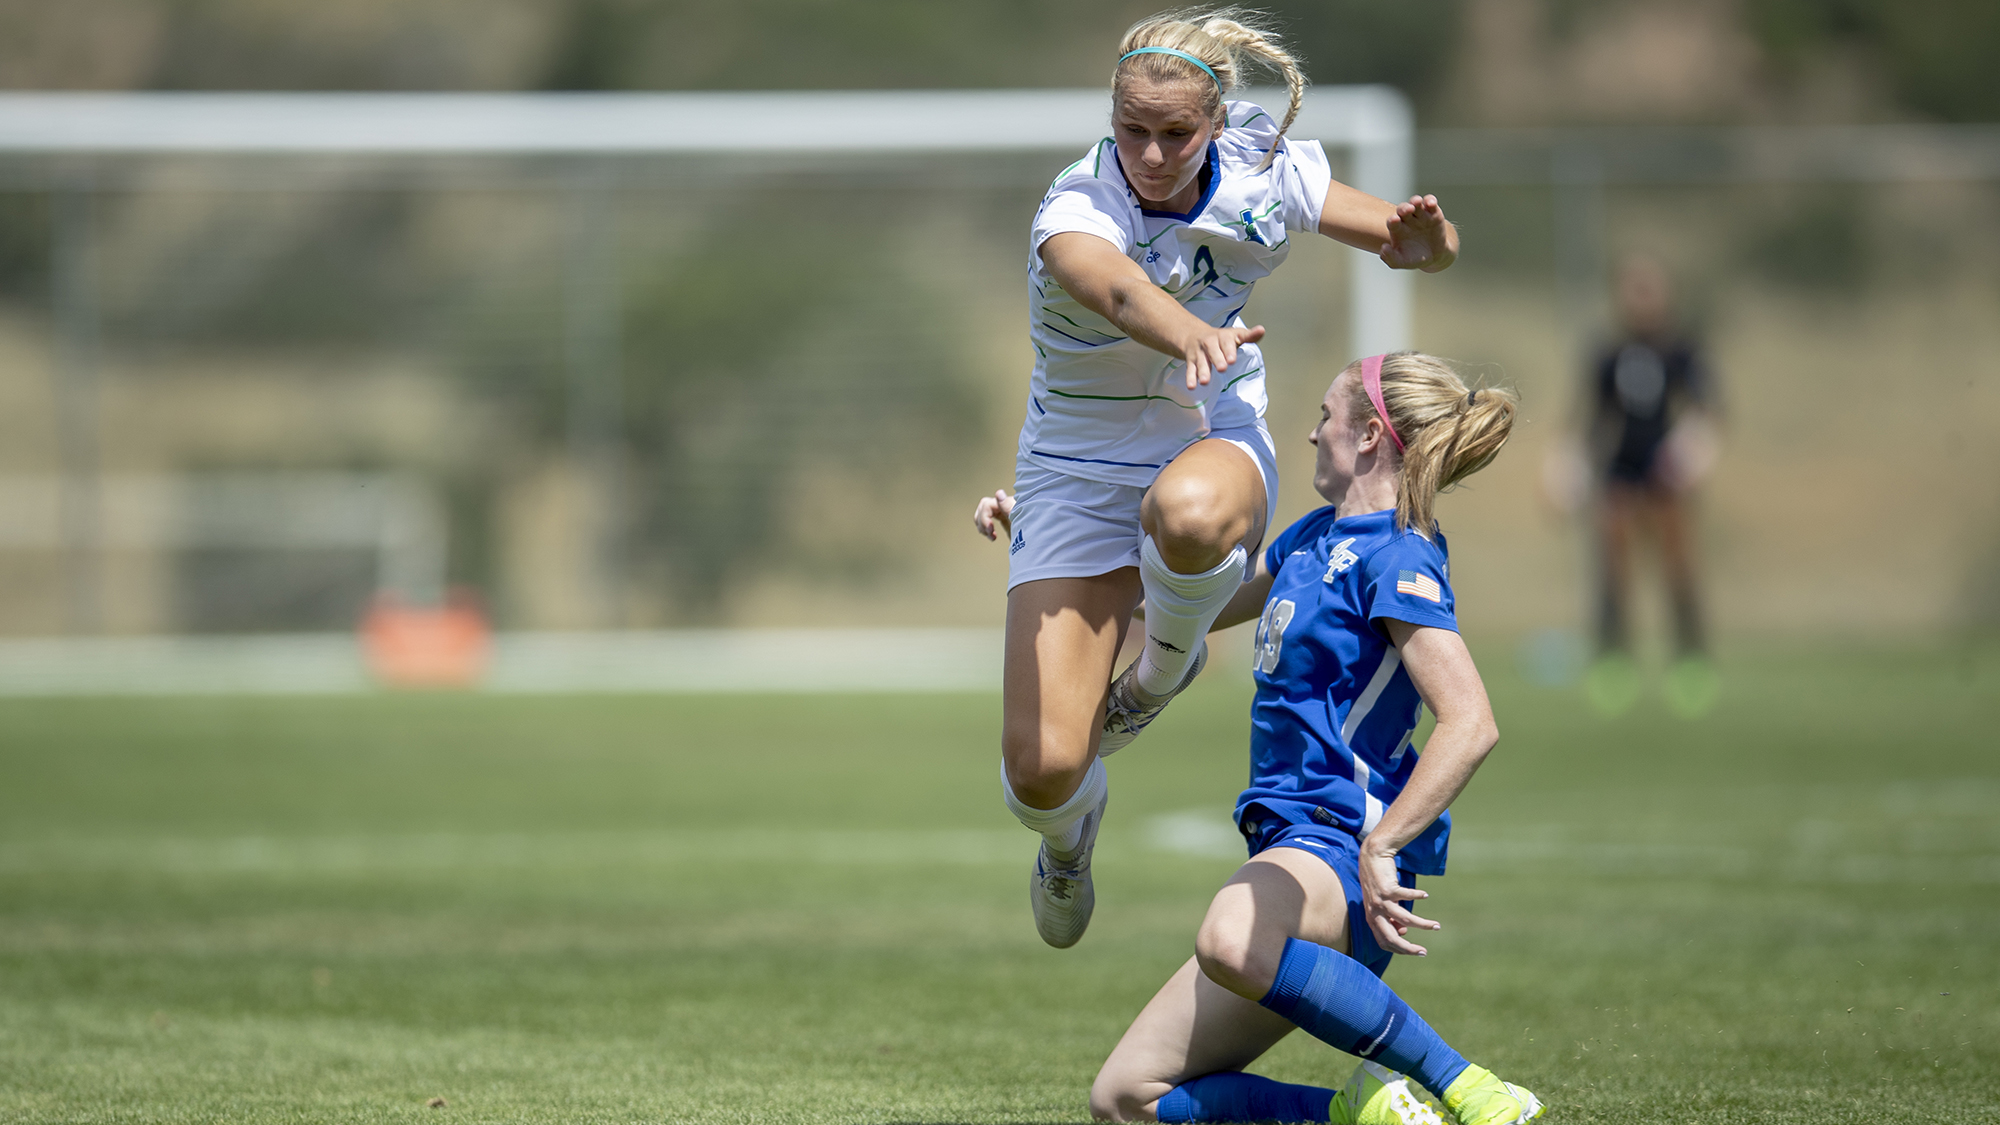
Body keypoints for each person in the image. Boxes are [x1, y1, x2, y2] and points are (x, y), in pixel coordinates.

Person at [970, 7, 1459, 950]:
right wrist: (1188, 328)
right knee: (1040, 770)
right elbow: (1114, 288)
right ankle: (1067, 845)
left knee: (1190, 515)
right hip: (1071, 467)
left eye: (1176, 134)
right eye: (1133, 132)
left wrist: (1422, 243)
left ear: (1217, 119)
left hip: (1208, 429)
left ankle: (1162, 665)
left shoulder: (1263, 168)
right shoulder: (1074, 206)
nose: (1152, 155)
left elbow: (1401, 237)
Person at [1077, 352, 1542, 1125]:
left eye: (1324, 416)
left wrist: (1384, 844)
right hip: (1287, 851)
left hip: (1338, 854)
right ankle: (1354, 1113)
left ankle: (1470, 1087)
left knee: (1227, 936)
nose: (1309, 432)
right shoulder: (1309, 541)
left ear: (1365, 436)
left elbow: (1472, 722)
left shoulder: (1398, 554)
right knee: (1125, 1099)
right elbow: (1180, 599)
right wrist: (1043, 533)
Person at [1555, 255, 1720, 717]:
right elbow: (1589, 420)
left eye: (1649, 290)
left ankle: (1691, 663)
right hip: (1620, 477)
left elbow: (1707, 410)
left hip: (1666, 482)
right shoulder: (1608, 354)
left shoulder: (1682, 351)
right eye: (1633, 290)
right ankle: (1614, 664)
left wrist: (1690, 452)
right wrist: (1569, 472)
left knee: (1678, 570)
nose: (1641, 301)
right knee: (1613, 573)